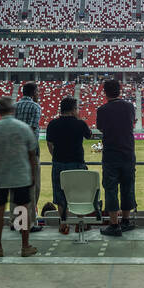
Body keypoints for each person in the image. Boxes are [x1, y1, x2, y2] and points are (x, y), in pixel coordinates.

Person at [0, 95, 39, 258]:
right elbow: (31, 154)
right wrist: (33, 174)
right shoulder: (24, 128)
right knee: (23, 210)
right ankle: (25, 246)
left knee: (0, 211)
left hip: (1, 175)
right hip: (21, 174)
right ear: (13, 110)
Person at [45, 96, 95, 235]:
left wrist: (55, 157)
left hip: (58, 163)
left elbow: (49, 144)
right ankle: (80, 224)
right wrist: (79, 119)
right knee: (79, 194)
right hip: (77, 164)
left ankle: (63, 224)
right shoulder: (80, 124)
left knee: (60, 196)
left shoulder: (52, 124)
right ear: (73, 109)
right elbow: (89, 136)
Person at [96, 79, 137, 237]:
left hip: (111, 154)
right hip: (127, 153)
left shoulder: (102, 110)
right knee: (128, 186)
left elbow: (101, 127)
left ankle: (114, 224)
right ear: (119, 91)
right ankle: (126, 221)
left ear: (105, 92)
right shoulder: (129, 106)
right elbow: (131, 123)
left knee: (111, 189)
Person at [14, 82, 43, 224]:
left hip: (16, 151)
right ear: (34, 92)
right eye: (37, 92)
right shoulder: (35, 107)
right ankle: (30, 222)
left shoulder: (14, 107)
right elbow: (31, 130)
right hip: (30, 152)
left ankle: (16, 221)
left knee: (16, 187)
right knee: (33, 186)